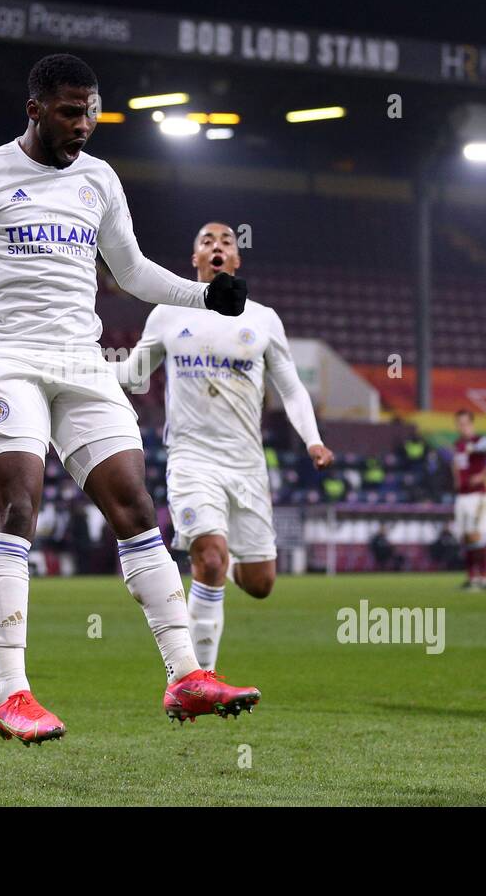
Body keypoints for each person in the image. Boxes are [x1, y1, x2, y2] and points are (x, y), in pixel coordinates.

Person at [0, 53, 258, 744]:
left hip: (83, 362)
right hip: (7, 357)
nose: (84, 125)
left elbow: (132, 271)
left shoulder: (99, 179)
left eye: (91, 111)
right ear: (34, 110)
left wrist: (204, 296)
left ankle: (185, 675)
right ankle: (13, 695)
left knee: (135, 505)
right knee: (19, 504)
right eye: (69, 111)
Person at [112, 221, 334, 671]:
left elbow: (290, 389)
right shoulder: (168, 314)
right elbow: (133, 376)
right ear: (195, 259)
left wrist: (313, 440)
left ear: (237, 259)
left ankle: (228, 565)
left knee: (260, 583)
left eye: (227, 241)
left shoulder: (263, 318)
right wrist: (83, 369)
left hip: (247, 464)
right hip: (192, 458)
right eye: (206, 241)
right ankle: (199, 678)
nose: (217, 246)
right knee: (208, 560)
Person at [451, 409, 486, 590]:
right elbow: (456, 464)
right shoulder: (458, 444)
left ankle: (484, 578)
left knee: (477, 537)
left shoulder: (480, 441)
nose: (463, 427)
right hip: (463, 496)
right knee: (467, 538)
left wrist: (483, 475)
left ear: (472, 424)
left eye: (466, 423)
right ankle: (472, 577)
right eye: (460, 424)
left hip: (477, 495)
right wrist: (457, 481)